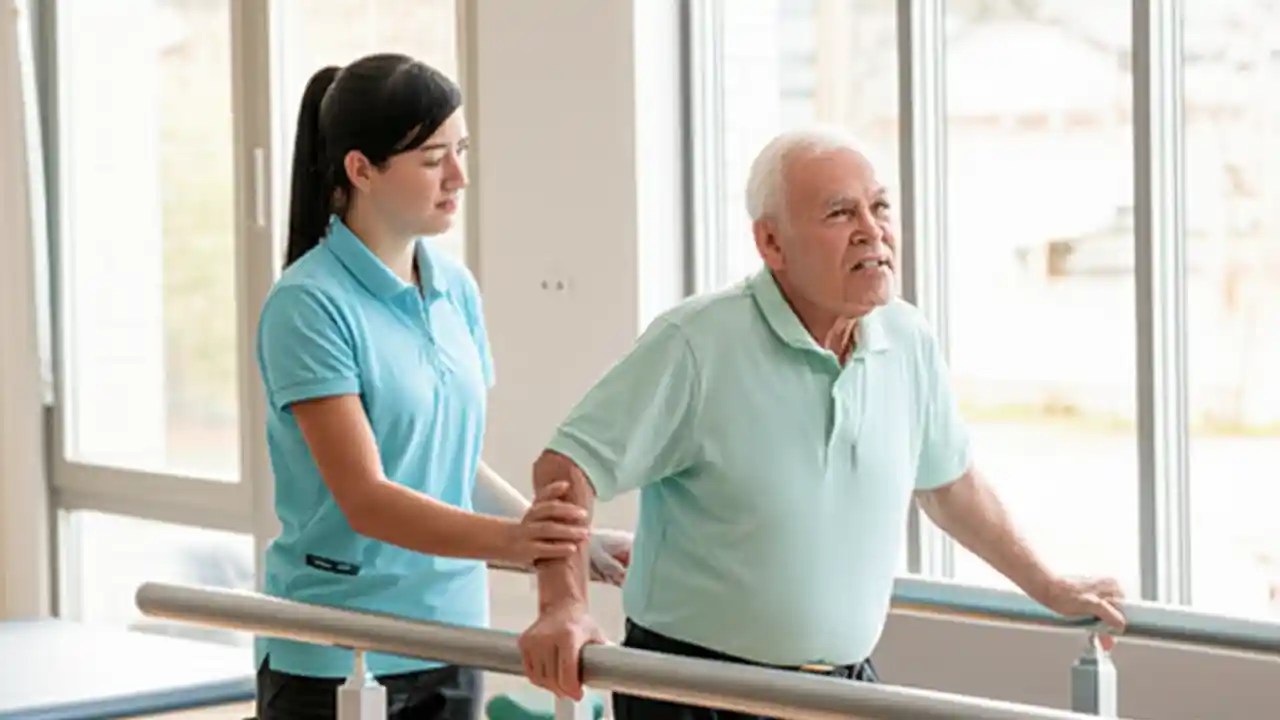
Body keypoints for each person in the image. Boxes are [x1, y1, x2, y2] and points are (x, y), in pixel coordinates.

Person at [516, 127, 1128, 719]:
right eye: (840, 214)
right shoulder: (697, 343)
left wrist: (1047, 585)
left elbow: (950, 486)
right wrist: (563, 604)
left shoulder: (905, 337)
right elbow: (570, 465)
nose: (872, 231)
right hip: (697, 689)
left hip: (842, 688)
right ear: (771, 243)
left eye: (879, 206)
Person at [254, 54, 631, 720]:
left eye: (460, 150)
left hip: (451, 638)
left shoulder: (454, 287)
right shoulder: (308, 304)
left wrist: (569, 544)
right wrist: (515, 545)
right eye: (432, 159)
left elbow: (454, 463)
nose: (458, 175)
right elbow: (366, 498)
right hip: (341, 652)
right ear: (361, 169)